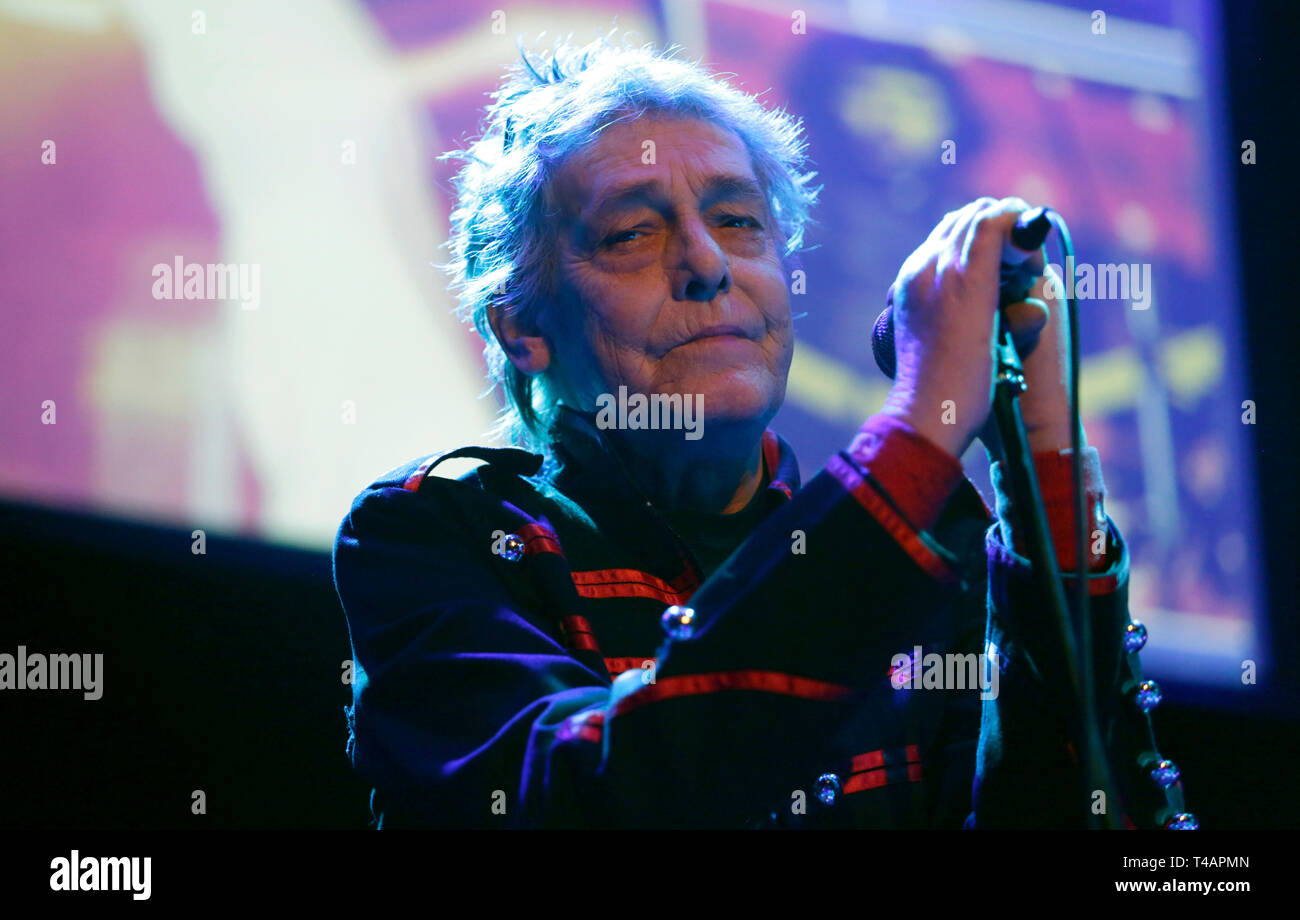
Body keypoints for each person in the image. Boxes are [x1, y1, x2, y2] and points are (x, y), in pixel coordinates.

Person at [332, 36, 1190, 828]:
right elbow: (602, 795)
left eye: (740, 221)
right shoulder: (434, 534)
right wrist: (921, 425)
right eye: (632, 233)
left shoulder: (942, 551)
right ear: (523, 326)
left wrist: (1042, 457)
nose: (708, 263)